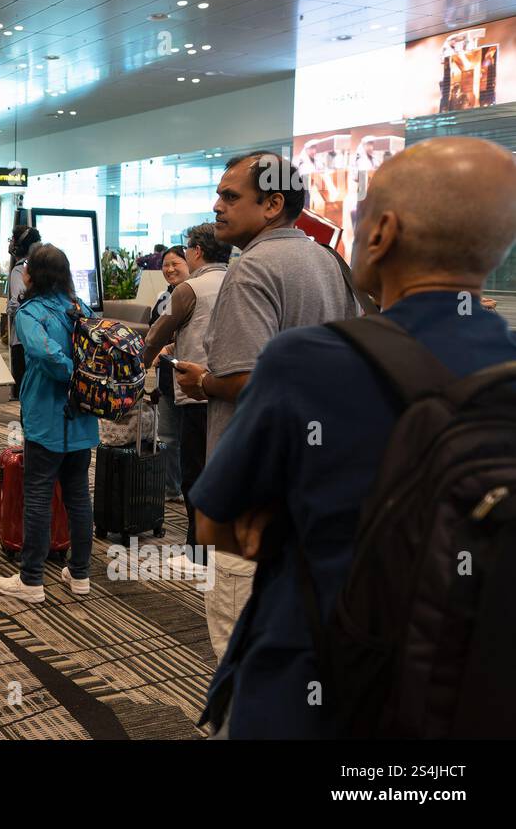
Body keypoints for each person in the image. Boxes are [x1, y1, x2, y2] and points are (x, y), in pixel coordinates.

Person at [191, 136, 516, 738]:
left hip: (315, 680)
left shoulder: (305, 363)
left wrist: (288, 509)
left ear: (383, 232)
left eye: (362, 211)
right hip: (457, 677)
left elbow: (215, 522)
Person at [174, 152, 361, 659]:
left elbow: (244, 377)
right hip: (315, 485)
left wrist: (205, 381)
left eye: (230, 197)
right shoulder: (329, 262)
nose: (217, 207)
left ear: (273, 203)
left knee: (242, 653)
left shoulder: (253, 268)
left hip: (252, 493)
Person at [0, 244, 99, 603]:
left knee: (38, 495)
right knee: (78, 495)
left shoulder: (30, 312)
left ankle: (32, 580)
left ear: (32, 275)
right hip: (83, 415)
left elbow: (43, 355)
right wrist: (83, 377)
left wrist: (70, 372)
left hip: (47, 417)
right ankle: (80, 574)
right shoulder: (80, 308)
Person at [141, 226, 231, 566]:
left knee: (195, 471)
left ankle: (197, 553)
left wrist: (140, 366)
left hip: (199, 392)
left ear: (196, 251)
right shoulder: (240, 278)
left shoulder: (189, 288)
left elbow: (156, 336)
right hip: (236, 390)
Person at [149, 245, 188, 503]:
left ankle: (189, 488)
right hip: (165, 376)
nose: (170, 269)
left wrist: (163, 344)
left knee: (189, 438)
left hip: (189, 375)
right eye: (166, 264)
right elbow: (155, 329)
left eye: (176, 264)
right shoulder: (165, 296)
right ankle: (171, 487)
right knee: (166, 436)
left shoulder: (193, 295)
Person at [5, 224, 41, 400]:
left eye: (12, 239)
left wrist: (9, 309)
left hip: (22, 338)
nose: (11, 244)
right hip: (40, 337)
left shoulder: (20, 269)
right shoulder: (45, 269)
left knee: (23, 388)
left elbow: (18, 301)